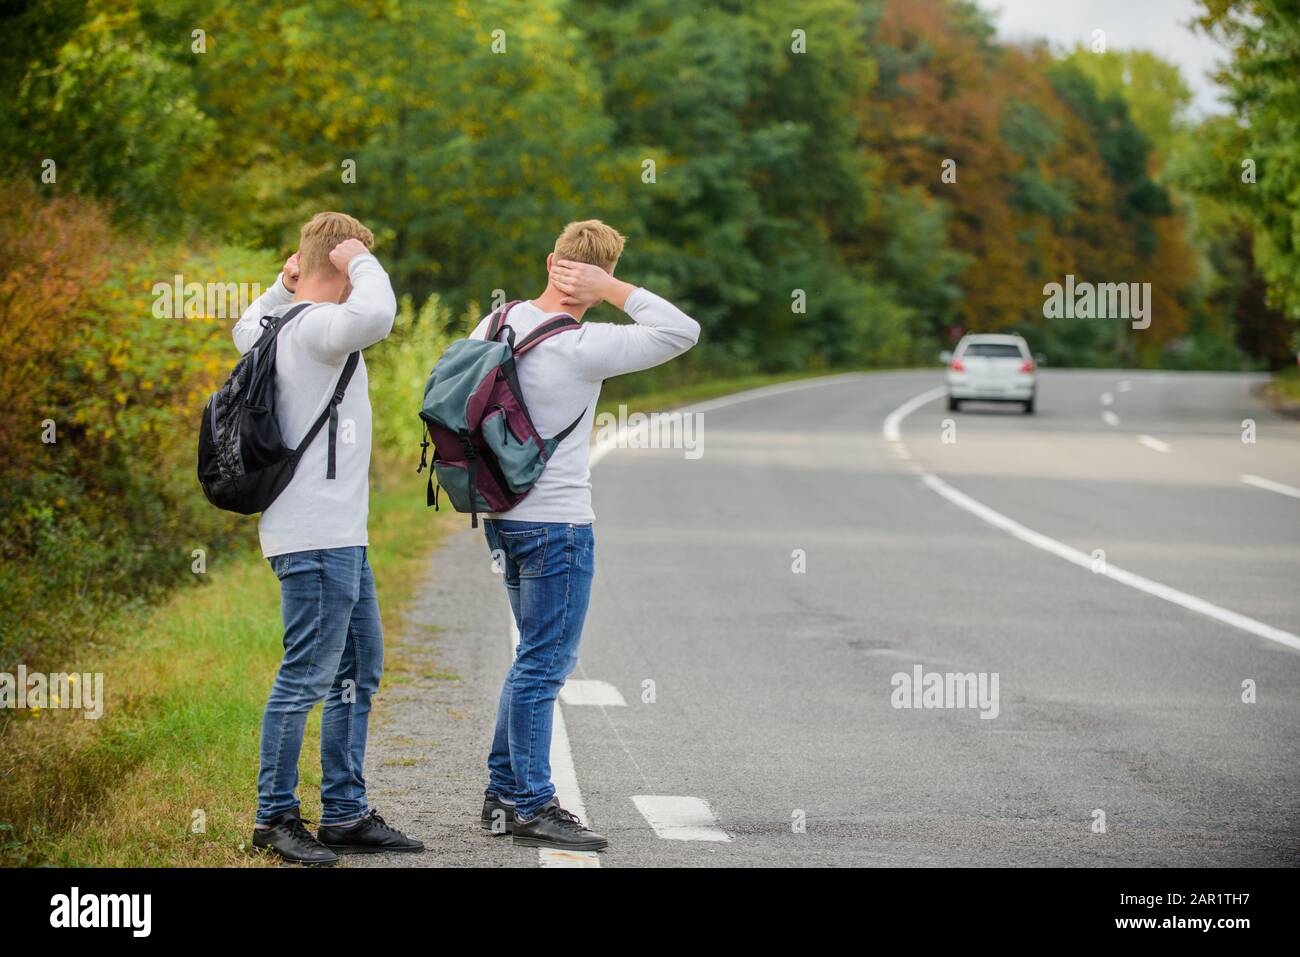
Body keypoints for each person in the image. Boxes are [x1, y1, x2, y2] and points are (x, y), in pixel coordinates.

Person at [472, 220, 700, 851]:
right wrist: (617, 289)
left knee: (529, 661)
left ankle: (501, 792)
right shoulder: (584, 343)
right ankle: (533, 803)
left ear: (551, 261)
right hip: (558, 523)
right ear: (595, 281)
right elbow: (682, 331)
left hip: (502, 517)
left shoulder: (495, 325)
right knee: (544, 666)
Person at [232, 211, 423, 865]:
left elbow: (242, 324)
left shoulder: (275, 319)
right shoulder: (313, 327)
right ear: (339, 266)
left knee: (357, 668)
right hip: (315, 538)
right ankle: (275, 818)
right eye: (349, 266)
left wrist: (282, 281)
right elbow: (378, 316)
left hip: (338, 535)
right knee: (305, 676)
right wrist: (361, 263)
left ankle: (344, 811)